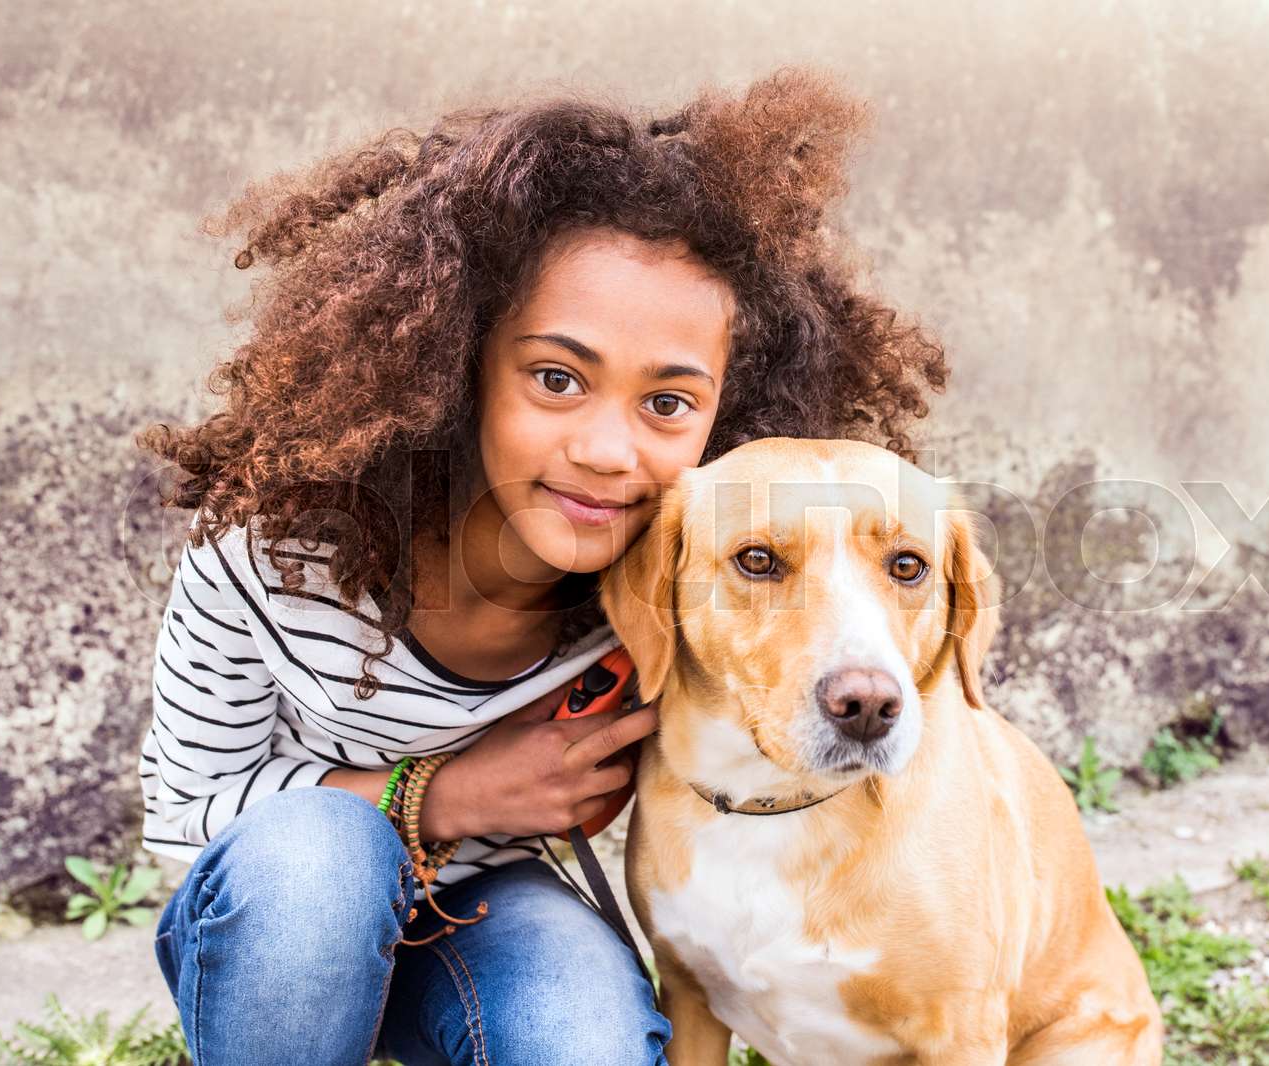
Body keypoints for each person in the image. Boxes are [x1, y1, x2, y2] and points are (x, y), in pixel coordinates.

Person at [134, 67, 950, 1065]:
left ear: (728, 412)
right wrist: (445, 796)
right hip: (278, 927)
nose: (609, 451)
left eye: (668, 403)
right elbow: (185, 814)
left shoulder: (691, 576)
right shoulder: (271, 549)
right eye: (556, 378)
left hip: (485, 911)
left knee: (586, 1039)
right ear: (455, 360)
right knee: (319, 859)